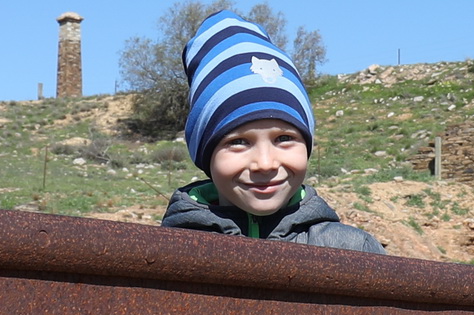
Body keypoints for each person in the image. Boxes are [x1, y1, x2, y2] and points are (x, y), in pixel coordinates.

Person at [158, 13, 387, 251]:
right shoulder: (167, 250)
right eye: (238, 142)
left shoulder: (355, 250)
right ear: (205, 154)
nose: (265, 164)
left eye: (284, 138)